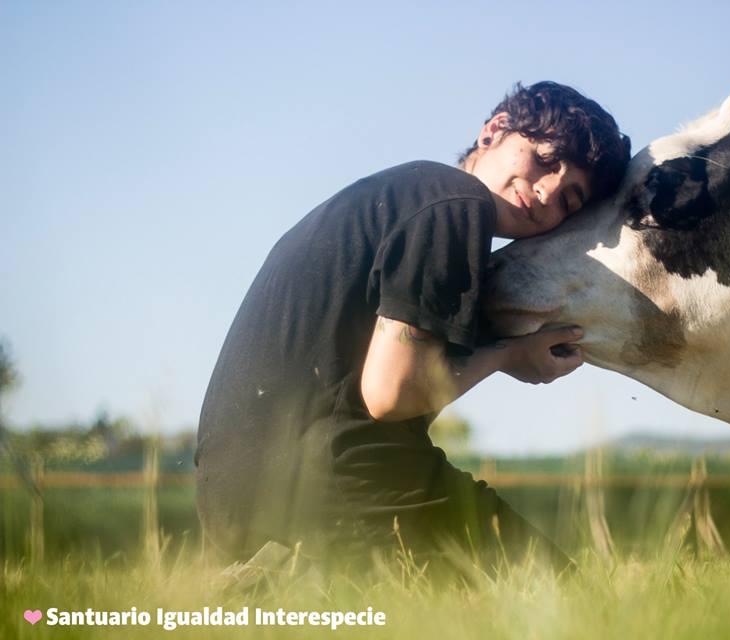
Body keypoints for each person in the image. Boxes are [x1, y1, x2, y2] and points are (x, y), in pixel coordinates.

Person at [195, 82, 631, 574]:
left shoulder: (407, 194)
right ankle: (298, 574)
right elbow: (393, 393)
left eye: (570, 200)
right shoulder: (456, 205)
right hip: (340, 480)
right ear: (493, 131)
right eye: (545, 160)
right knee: (555, 592)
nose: (548, 191)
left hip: (233, 498)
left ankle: (289, 577)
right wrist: (510, 357)